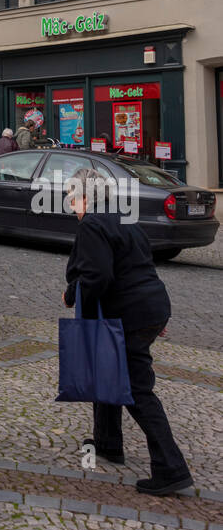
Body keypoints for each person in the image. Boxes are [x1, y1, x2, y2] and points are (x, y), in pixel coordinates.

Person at [63, 168, 192, 496]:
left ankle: (171, 468)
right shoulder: (124, 219)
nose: (73, 207)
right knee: (109, 370)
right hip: (150, 306)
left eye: (74, 199)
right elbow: (130, 266)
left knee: (136, 388)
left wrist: (83, 316)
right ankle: (108, 441)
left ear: (87, 198)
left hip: (129, 312)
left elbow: (98, 277)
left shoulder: (93, 223)